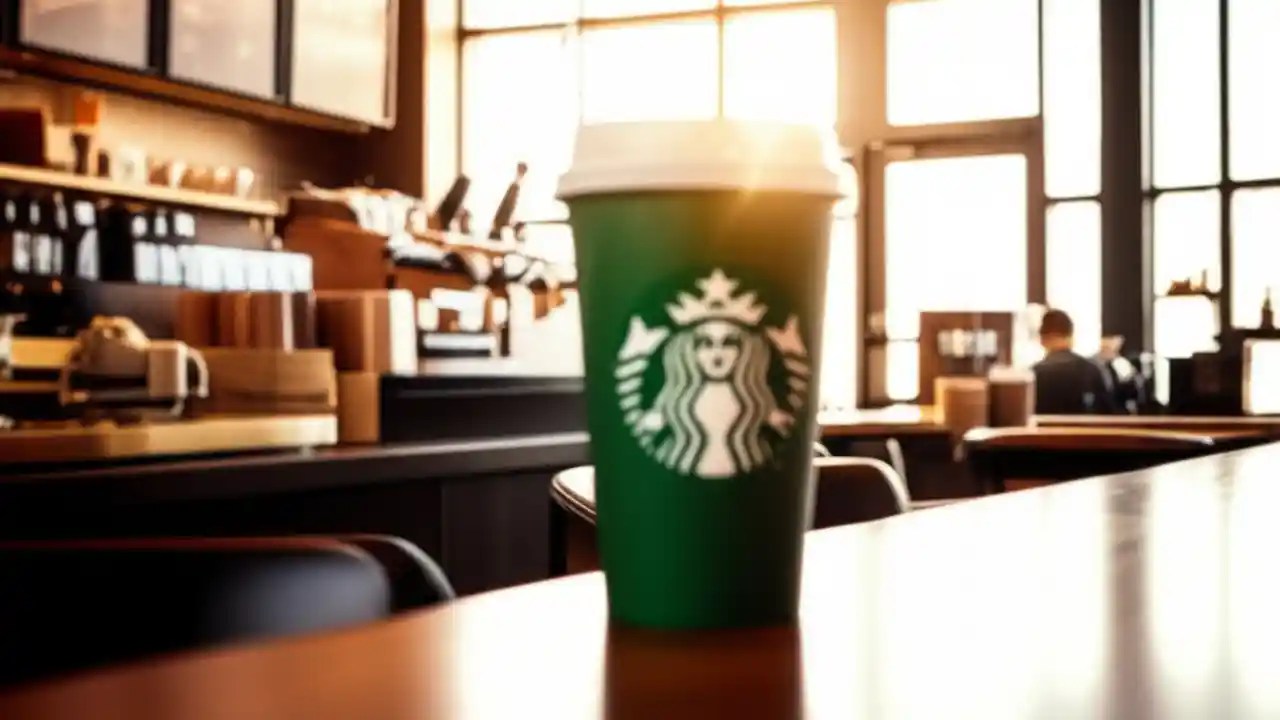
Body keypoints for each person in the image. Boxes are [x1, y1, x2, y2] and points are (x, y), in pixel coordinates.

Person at [1032, 309, 1117, 414]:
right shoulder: (1092, 370)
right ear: (1071, 337)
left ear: (1042, 340)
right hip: (1087, 430)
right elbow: (1108, 412)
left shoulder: (1032, 375)